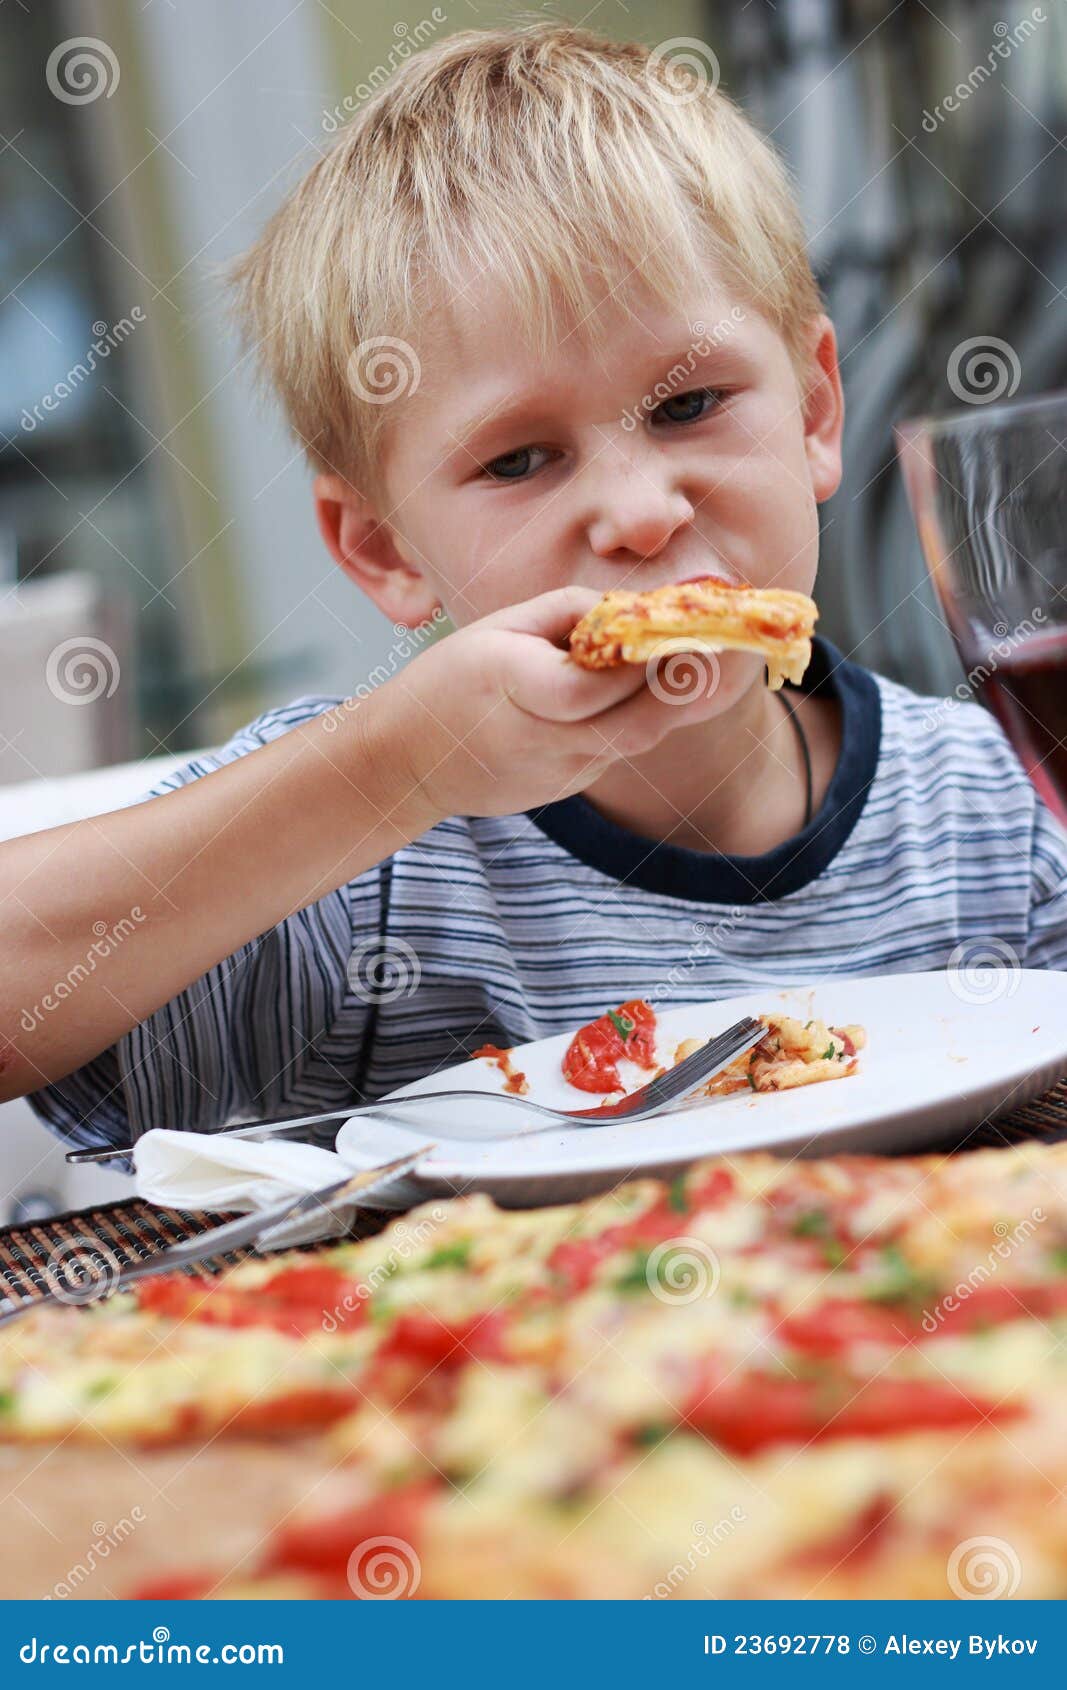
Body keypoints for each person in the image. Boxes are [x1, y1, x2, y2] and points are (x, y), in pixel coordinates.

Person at [6, 22, 1065, 1154]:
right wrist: (385, 776)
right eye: (517, 460)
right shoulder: (368, 860)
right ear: (383, 550)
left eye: (687, 404)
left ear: (811, 411)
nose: (639, 510)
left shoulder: (989, 817)